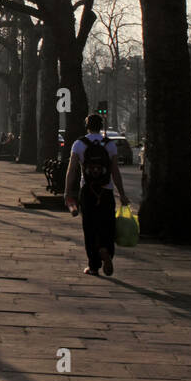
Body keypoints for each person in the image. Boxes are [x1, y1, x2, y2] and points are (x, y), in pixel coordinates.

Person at [64, 113, 131, 277]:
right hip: (106, 191)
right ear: (101, 126)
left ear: (86, 125)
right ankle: (105, 249)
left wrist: (67, 192)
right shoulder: (110, 145)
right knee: (107, 225)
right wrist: (122, 193)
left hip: (87, 191)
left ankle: (93, 265)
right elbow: (115, 172)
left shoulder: (79, 144)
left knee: (90, 227)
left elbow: (72, 170)